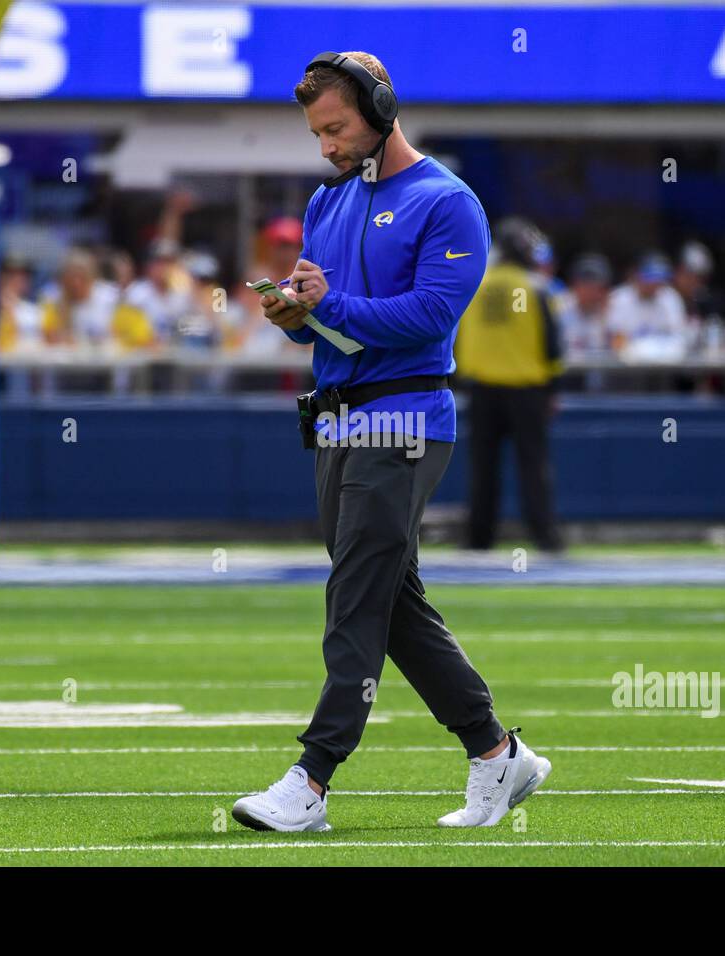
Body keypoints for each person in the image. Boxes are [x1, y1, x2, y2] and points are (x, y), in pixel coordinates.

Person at [231, 50, 551, 834]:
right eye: (317, 132)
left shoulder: (447, 203)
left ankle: (312, 777)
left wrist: (329, 305)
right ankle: (495, 751)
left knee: (353, 597)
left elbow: (427, 318)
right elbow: (331, 315)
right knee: (390, 599)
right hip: (339, 415)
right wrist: (295, 314)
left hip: (406, 417)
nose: (326, 146)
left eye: (336, 127)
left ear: (381, 107)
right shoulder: (326, 200)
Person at [454, 216, 566, 554]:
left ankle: (479, 539)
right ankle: (544, 537)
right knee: (534, 466)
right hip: (526, 389)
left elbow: (458, 338)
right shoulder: (538, 287)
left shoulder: (477, 283)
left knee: (483, 468)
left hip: (482, 387)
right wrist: (553, 387)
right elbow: (552, 345)